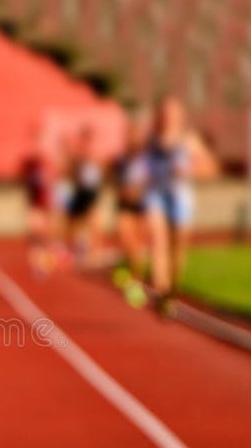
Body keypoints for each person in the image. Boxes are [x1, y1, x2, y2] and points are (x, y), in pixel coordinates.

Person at [143, 96, 218, 313]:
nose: (168, 117)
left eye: (172, 113)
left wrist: (190, 170)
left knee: (178, 247)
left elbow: (211, 169)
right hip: (156, 193)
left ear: (180, 116)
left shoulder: (188, 140)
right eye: (164, 112)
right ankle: (160, 287)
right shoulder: (150, 139)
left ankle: (172, 290)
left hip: (180, 196)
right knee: (157, 237)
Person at [110, 111, 150, 306]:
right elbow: (114, 180)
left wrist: (140, 191)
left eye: (137, 134)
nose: (133, 138)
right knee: (126, 239)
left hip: (142, 206)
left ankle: (136, 283)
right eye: (130, 134)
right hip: (124, 206)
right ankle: (130, 273)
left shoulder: (149, 159)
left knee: (139, 247)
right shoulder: (121, 159)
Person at [65, 126, 104, 267]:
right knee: (75, 223)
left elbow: (101, 173)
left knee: (94, 223)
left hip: (92, 192)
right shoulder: (79, 156)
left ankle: (95, 253)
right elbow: (71, 171)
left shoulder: (96, 155)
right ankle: (78, 250)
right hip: (80, 191)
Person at [19, 142, 56, 278]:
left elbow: (50, 187)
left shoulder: (46, 168)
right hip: (34, 205)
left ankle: (45, 261)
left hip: (43, 205)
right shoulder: (30, 168)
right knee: (35, 235)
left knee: (43, 235)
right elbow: (26, 185)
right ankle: (37, 263)